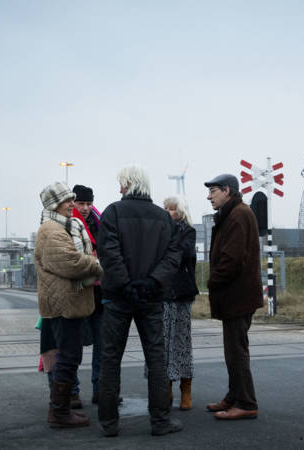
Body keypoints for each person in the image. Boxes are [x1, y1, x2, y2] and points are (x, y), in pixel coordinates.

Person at [96, 165, 183, 437]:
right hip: (152, 299)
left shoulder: (112, 212)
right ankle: (160, 421)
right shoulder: (163, 217)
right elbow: (173, 256)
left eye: (121, 183)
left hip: (117, 298)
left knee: (111, 358)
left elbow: (108, 253)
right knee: (156, 358)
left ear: (129, 184)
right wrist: (151, 282)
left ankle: (109, 424)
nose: (119, 188)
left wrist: (126, 284)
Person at [35, 181, 103, 428]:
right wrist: (96, 265)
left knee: (70, 356)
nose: (72, 205)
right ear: (55, 204)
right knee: (68, 357)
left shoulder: (65, 226)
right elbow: (70, 263)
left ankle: (60, 409)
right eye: (67, 201)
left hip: (69, 301)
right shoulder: (51, 230)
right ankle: (59, 412)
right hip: (63, 303)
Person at [204, 173, 263, 420]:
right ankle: (234, 396)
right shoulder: (234, 213)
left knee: (236, 352)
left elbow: (232, 259)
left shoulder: (239, 215)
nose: (209, 196)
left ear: (226, 191)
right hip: (235, 296)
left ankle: (246, 403)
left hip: (237, 296)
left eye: (213, 191)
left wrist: (212, 281)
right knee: (233, 351)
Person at [71, 184, 122, 406]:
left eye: (88, 203)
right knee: (72, 347)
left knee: (102, 344)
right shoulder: (67, 223)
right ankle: (71, 392)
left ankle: (100, 390)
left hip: (100, 292)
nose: (85, 208)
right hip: (78, 292)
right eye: (81, 203)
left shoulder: (100, 221)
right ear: (72, 202)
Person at [147, 196, 198, 410]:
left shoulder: (187, 231)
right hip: (162, 293)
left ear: (181, 211)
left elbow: (185, 254)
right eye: (165, 208)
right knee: (162, 342)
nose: (167, 212)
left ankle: (185, 389)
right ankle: (165, 386)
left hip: (181, 293)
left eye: (172, 209)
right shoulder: (159, 231)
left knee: (181, 341)